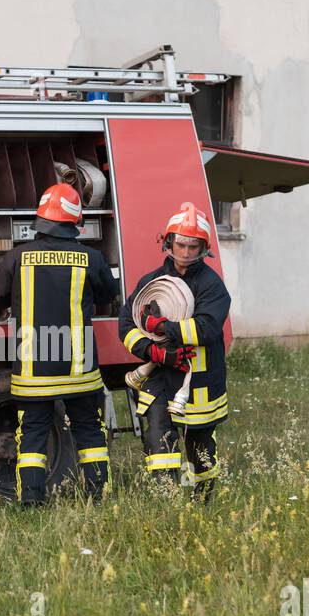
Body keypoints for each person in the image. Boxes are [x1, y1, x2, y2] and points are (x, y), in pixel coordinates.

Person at [0, 183, 118, 505]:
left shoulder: (16, 257)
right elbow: (107, 296)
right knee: (89, 430)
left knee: (32, 433)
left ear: (42, 219)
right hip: (79, 368)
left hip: (34, 367)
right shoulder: (91, 258)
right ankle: (97, 497)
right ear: (75, 221)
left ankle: (32, 502)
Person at [118, 202, 231, 502]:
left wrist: (166, 326)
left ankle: (203, 500)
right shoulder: (151, 283)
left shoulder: (212, 286)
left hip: (200, 383)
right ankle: (165, 504)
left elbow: (206, 328)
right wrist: (153, 353)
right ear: (168, 242)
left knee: (200, 448)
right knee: (158, 441)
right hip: (159, 378)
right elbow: (127, 325)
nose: (185, 252)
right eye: (180, 244)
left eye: (193, 247)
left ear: (203, 249)